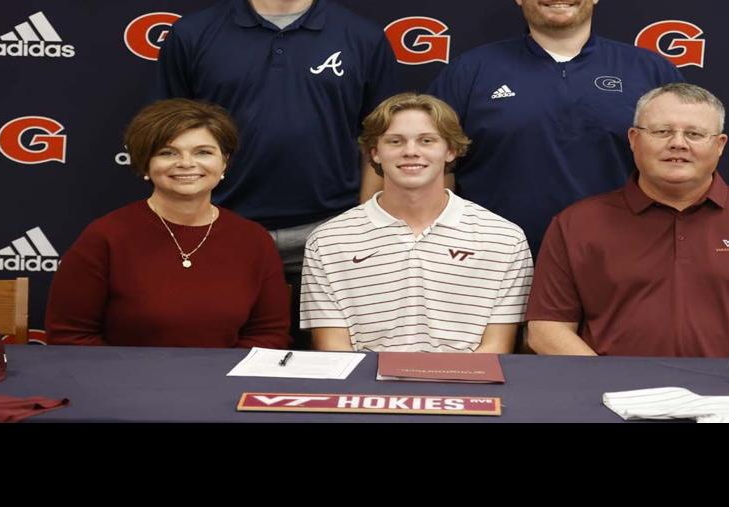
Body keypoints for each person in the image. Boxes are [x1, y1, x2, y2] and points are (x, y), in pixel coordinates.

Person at [156, 0, 400, 347]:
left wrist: (360, 225)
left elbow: (381, 140)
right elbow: (166, 136)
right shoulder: (193, 34)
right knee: (210, 364)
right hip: (220, 227)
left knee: (334, 365)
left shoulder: (362, 36)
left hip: (330, 231)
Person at [526, 83, 729, 357]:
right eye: (661, 132)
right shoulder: (576, 224)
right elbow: (546, 330)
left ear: (720, 145)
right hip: (610, 404)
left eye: (694, 134)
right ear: (633, 139)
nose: (678, 144)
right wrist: (609, 386)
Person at [427, 0, 683, 255]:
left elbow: (687, 166)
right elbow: (434, 169)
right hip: (494, 261)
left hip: (624, 259)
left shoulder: (651, 72)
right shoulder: (469, 72)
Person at [46, 99, 291, 348]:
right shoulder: (105, 237)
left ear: (224, 162)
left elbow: (268, 335)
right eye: (167, 153)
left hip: (223, 384)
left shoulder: (253, 239)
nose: (186, 163)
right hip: (125, 384)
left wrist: (220, 381)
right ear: (145, 163)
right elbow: (71, 336)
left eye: (203, 152)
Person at [300, 93, 533, 353]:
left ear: (450, 151)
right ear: (375, 153)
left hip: (466, 388)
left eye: (427, 141)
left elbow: (497, 349)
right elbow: (334, 351)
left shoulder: (504, 239)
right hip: (365, 390)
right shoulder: (328, 241)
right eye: (395, 141)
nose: (411, 151)